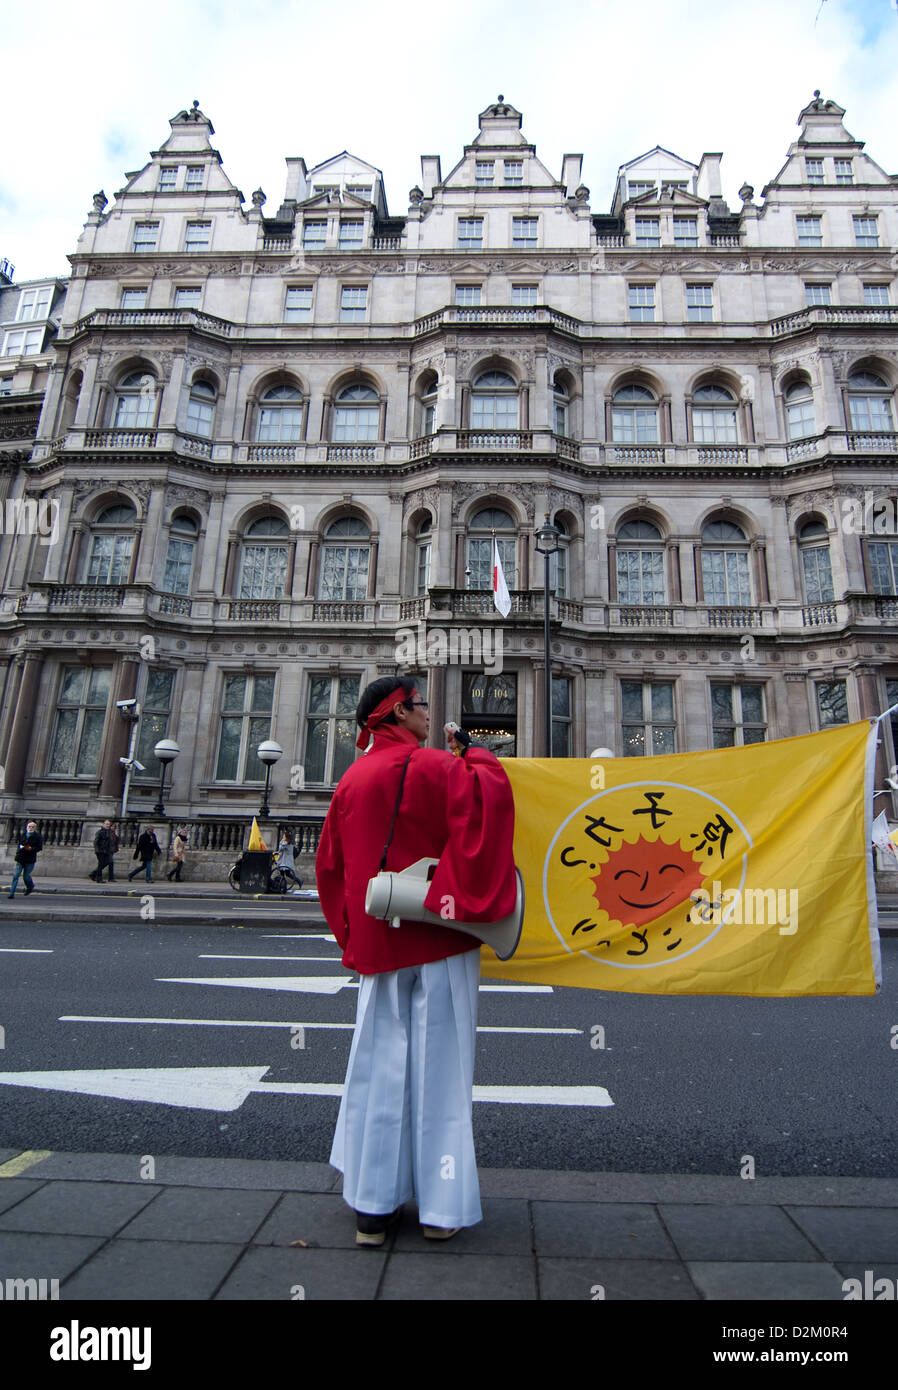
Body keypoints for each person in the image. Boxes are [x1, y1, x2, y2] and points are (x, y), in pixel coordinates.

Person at [316, 675, 516, 1247]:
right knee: (441, 1075)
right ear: (400, 712)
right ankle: (440, 1209)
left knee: (378, 1071)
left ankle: (372, 1209)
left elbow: (329, 867)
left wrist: (355, 935)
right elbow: (491, 802)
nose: (429, 713)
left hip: (381, 941)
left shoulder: (352, 779)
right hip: (440, 937)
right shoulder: (439, 767)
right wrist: (476, 753)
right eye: (422, 705)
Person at [8, 821, 43, 899]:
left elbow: (39, 848)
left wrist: (31, 849)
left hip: (30, 859)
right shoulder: (23, 835)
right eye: (29, 826)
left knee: (26, 877)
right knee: (15, 876)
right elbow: (19, 845)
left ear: (35, 828)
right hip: (20, 858)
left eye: (32, 827)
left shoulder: (38, 837)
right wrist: (21, 848)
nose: (30, 828)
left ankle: (30, 887)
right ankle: (11, 893)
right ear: (27, 827)